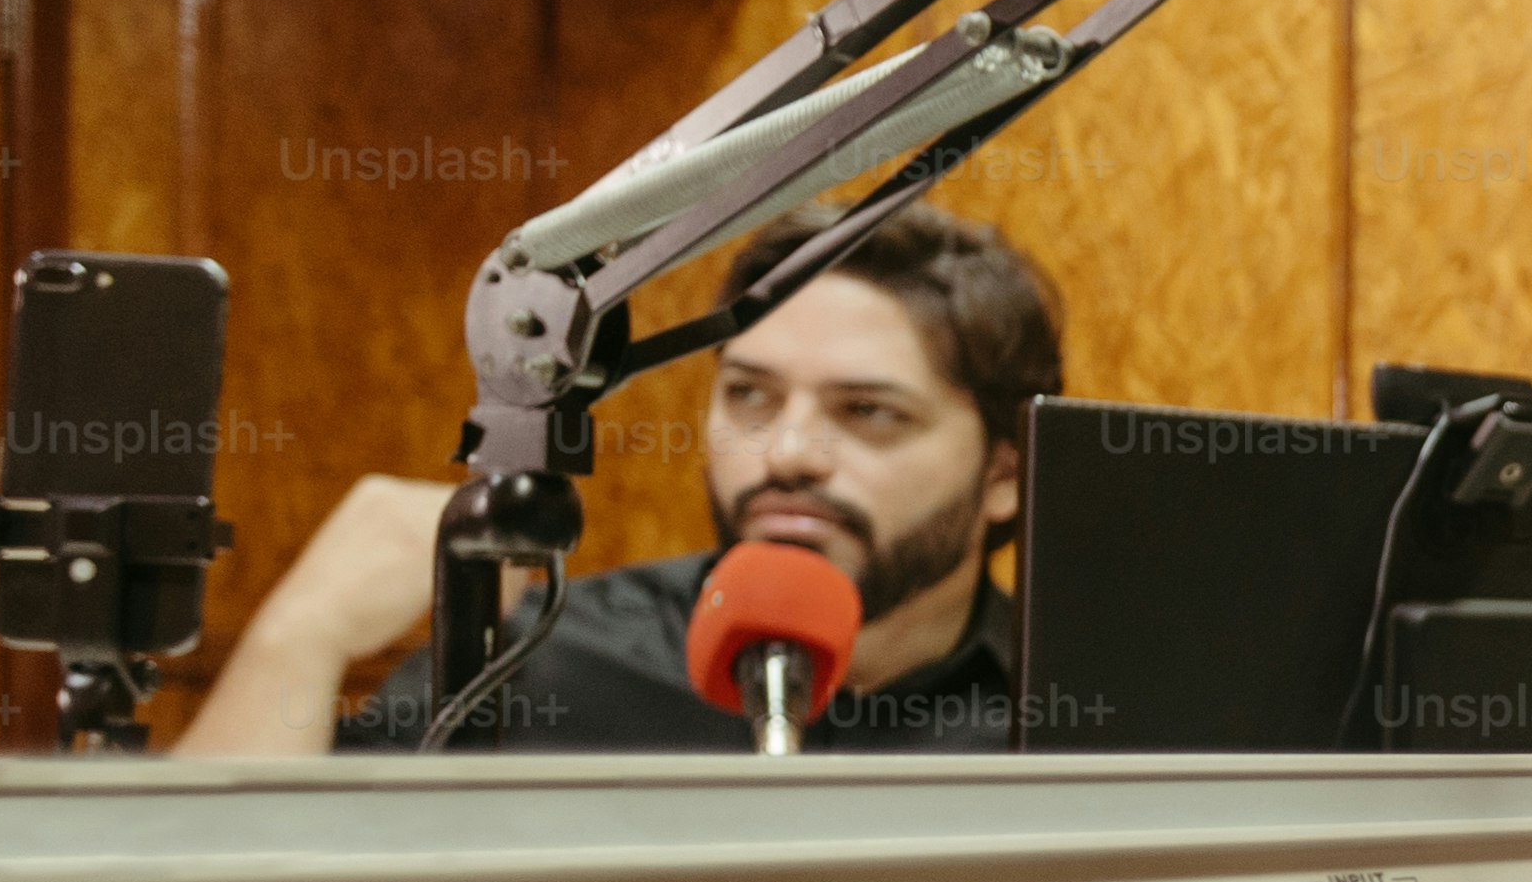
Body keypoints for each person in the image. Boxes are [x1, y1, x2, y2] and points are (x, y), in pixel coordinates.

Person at [178, 205, 1061, 756]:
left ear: (1004, 475)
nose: (788, 452)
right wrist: (299, 638)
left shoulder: (1078, 708)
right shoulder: (549, 661)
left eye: (867, 412)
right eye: (750, 397)